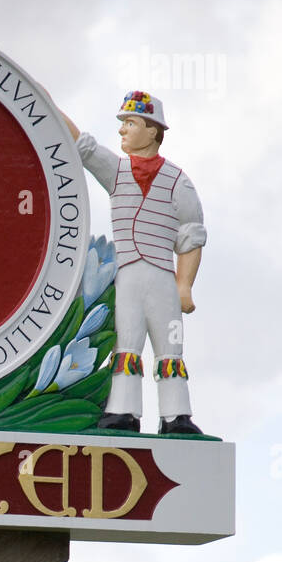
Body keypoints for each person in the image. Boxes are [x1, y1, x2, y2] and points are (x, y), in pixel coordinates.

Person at [59, 91, 207, 434]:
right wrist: (46, 103)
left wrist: (185, 285)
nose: (122, 130)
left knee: (170, 346)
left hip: (162, 277)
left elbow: (191, 233)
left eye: (131, 123)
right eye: (123, 123)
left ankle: (176, 415)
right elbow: (83, 145)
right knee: (126, 344)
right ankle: (123, 411)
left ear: (152, 130)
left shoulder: (177, 181)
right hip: (127, 276)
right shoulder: (117, 170)